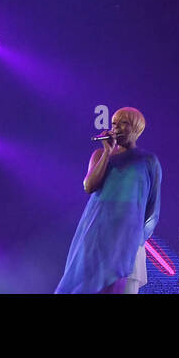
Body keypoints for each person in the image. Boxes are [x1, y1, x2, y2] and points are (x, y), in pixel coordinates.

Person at [56, 107, 161, 293]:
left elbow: (152, 208)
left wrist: (136, 238)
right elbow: (89, 186)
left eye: (124, 123)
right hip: (97, 232)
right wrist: (107, 152)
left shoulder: (148, 161)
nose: (117, 128)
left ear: (137, 128)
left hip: (126, 238)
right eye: (114, 123)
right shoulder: (100, 154)